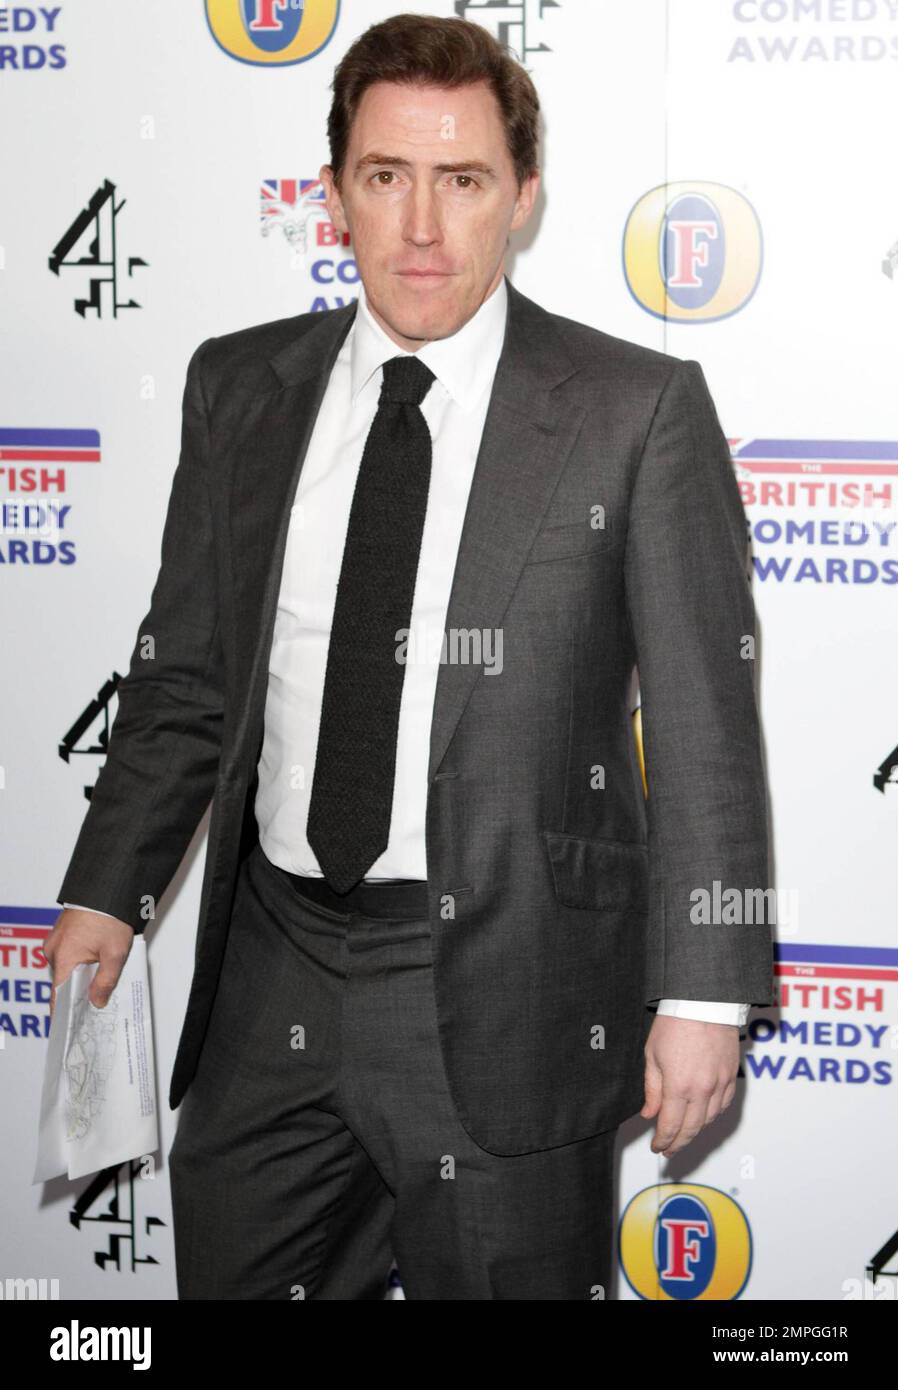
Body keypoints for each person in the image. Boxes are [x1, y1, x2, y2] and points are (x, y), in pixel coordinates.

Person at [45, 13, 774, 1299]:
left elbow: (708, 719)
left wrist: (704, 993)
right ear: (334, 196)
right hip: (269, 959)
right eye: (386, 178)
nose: (422, 227)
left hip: (506, 982)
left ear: (524, 196)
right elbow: (186, 673)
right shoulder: (242, 388)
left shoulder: (633, 412)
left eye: (464, 181)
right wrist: (110, 883)